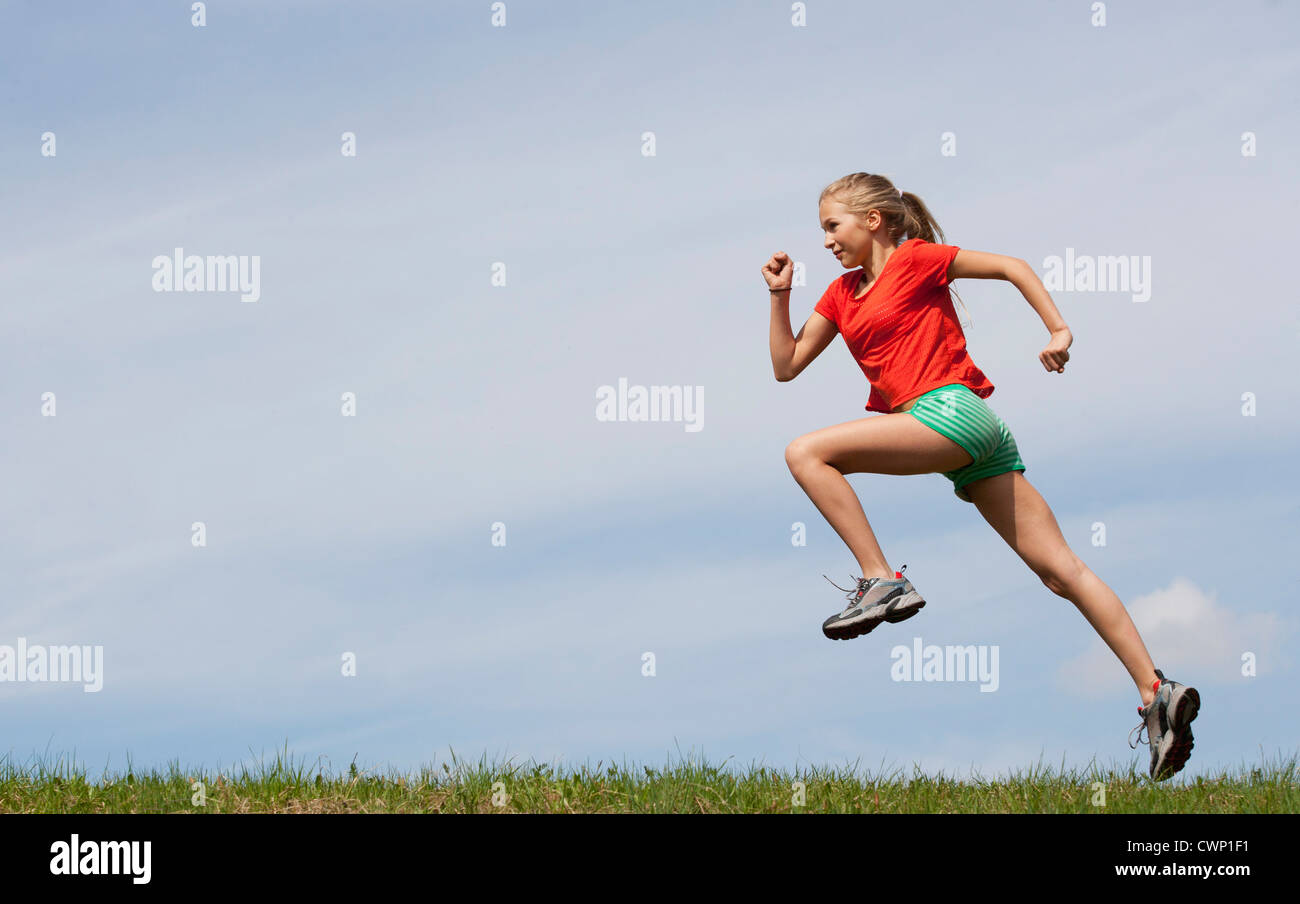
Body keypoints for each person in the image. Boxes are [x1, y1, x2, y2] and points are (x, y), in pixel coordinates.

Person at [762, 172, 1199, 781]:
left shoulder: (917, 260)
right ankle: (1157, 693)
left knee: (807, 454)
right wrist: (780, 296)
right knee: (1061, 572)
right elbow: (786, 366)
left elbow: (1014, 266)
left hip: (948, 413)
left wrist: (1059, 329)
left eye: (833, 227)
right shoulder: (839, 295)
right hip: (979, 437)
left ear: (873, 220)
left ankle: (880, 580)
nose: (826, 242)